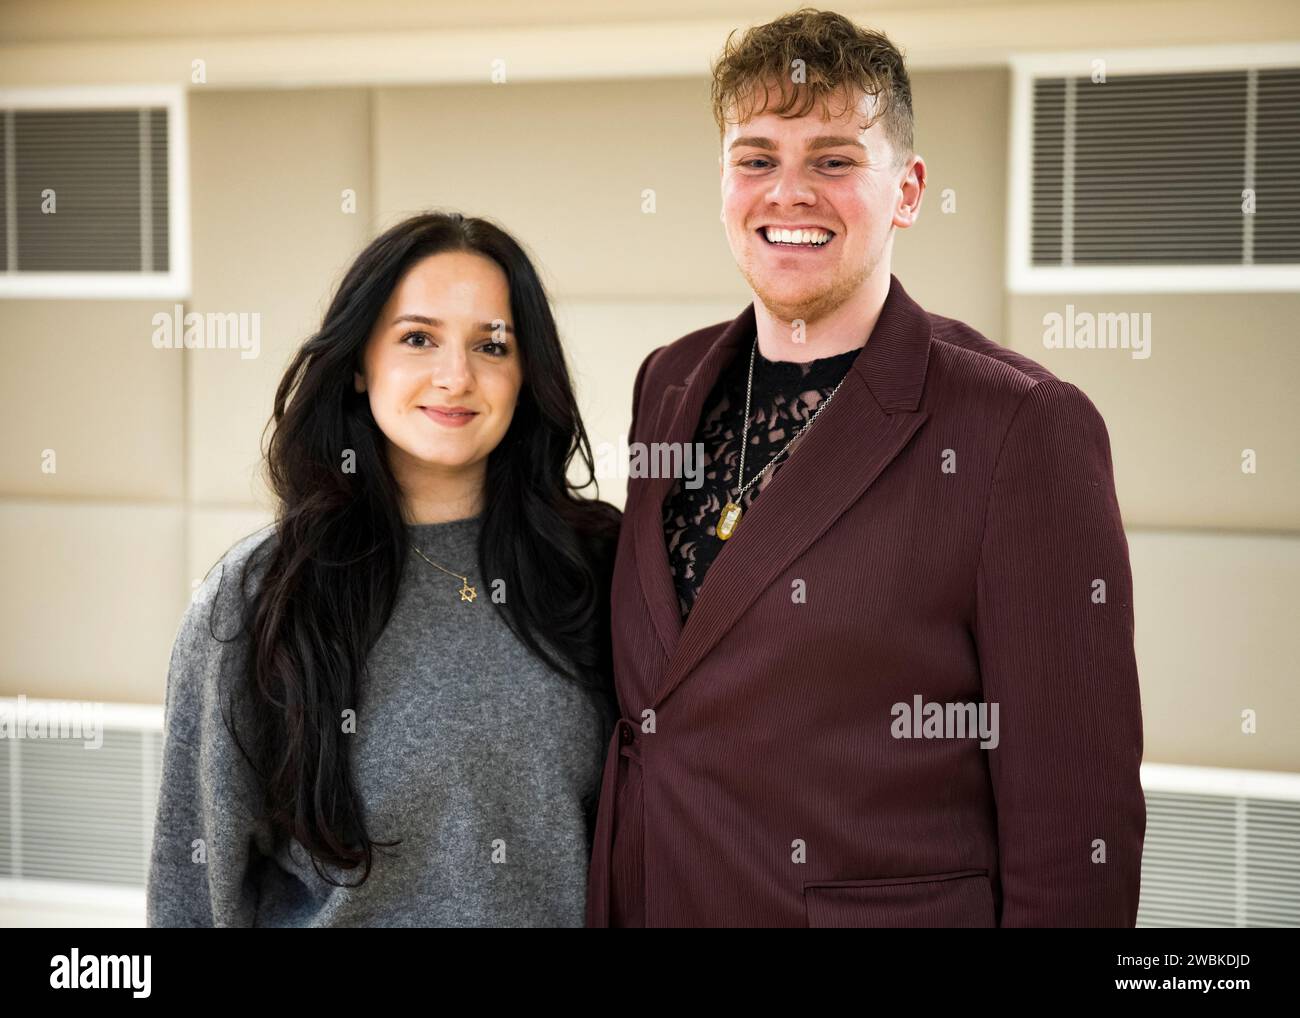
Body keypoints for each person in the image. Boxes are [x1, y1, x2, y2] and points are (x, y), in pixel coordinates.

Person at [586, 8, 1146, 927]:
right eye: (757, 158)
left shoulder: (1022, 428)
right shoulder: (669, 379)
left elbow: (1078, 825)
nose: (788, 192)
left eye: (835, 160)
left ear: (908, 189)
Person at [147, 211, 620, 926]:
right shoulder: (256, 600)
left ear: (527, 375)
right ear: (361, 364)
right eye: (418, 338)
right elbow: (193, 895)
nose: (455, 376)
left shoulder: (596, 567)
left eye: (492, 345)